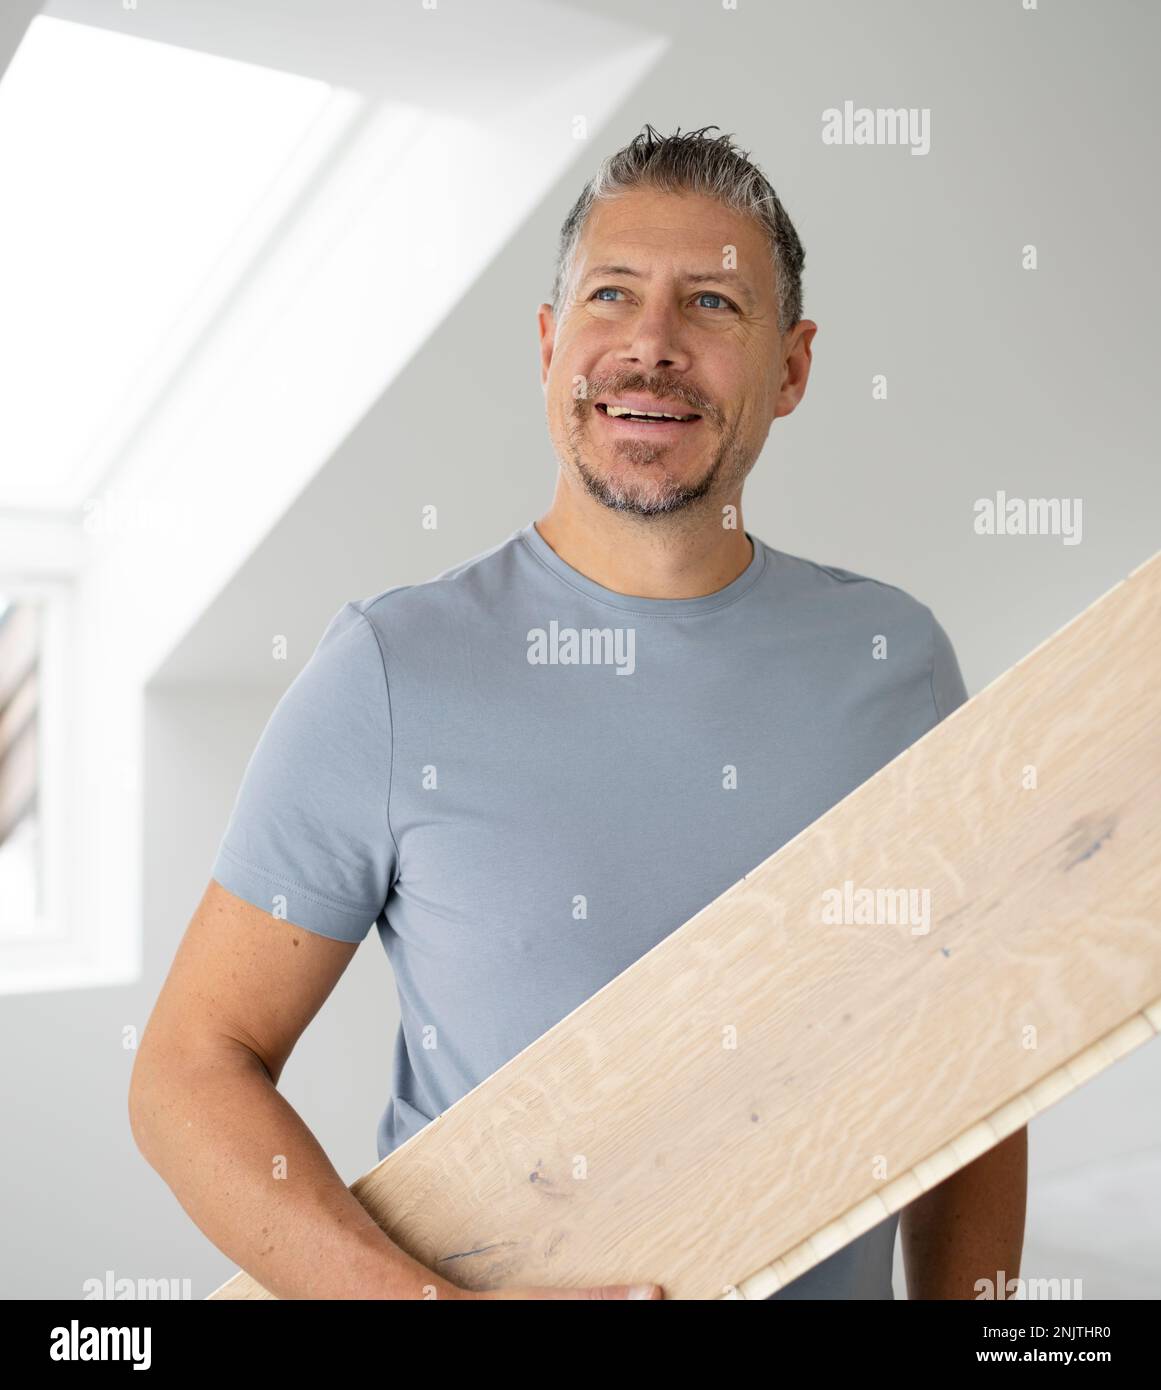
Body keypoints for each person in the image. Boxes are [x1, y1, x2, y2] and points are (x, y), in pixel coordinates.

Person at [129, 124, 1026, 1301]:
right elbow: (188, 1069)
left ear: (794, 369)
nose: (650, 346)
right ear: (554, 346)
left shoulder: (895, 664)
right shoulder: (391, 671)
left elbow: (961, 1056)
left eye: (711, 302)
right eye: (611, 296)